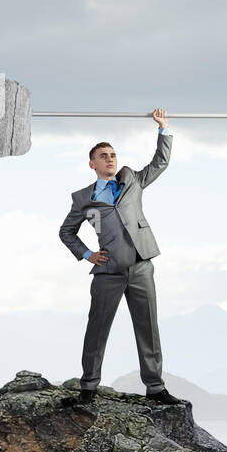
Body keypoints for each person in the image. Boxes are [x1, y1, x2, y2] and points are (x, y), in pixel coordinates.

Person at [58, 109, 181, 406]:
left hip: (141, 267)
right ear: (92, 163)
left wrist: (163, 129)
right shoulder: (83, 198)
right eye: (103, 155)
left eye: (113, 154)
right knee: (97, 328)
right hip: (108, 271)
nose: (110, 158)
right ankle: (88, 388)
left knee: (148, 328)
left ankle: (155, 387)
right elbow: (66, 232)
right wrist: (88, 254)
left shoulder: (133, 180)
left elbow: (161, 162)